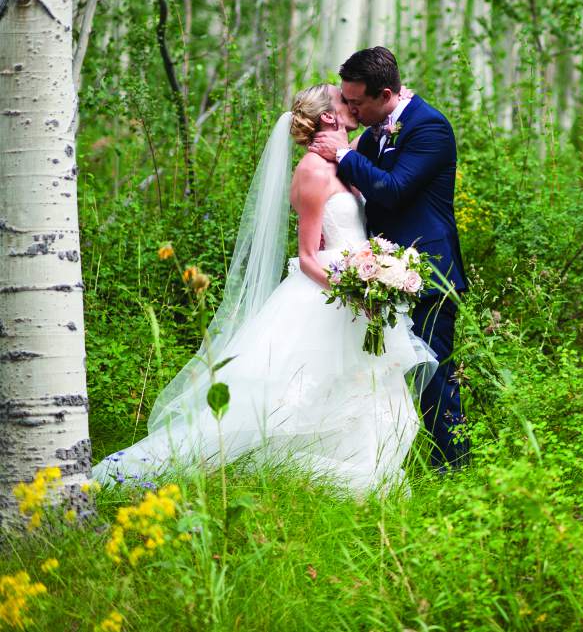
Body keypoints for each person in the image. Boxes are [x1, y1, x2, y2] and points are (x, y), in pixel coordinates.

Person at [92, 85, 438, 495]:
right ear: (328, 116)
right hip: (332, 293)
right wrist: (355, 294)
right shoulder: (311, 170)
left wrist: (400, 99)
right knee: (292, 397)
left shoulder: (345, 158)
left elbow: (382, 136)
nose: (355, 106)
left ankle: (360, 464)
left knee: (363, 387)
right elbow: (308, 255)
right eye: (346, 102)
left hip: (358, 286)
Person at [308, 46, 470, 470]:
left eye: (357, 102)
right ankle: (391, 462)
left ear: (384, 94)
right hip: (384, 274)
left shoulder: (430, 127)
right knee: (386, 378)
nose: (352, 110)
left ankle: (455, 472)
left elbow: (394, 189)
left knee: (434, 379)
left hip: (429, 276)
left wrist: (342, 155)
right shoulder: (380, 127)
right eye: (347, 101)